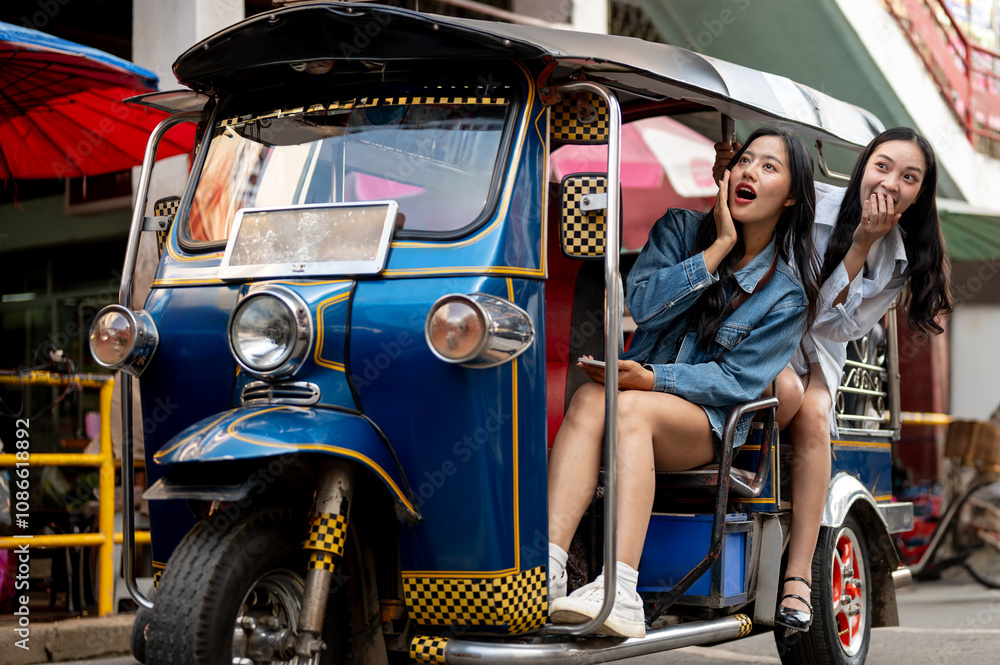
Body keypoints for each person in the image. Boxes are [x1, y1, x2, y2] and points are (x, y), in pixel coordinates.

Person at [546, 127, 820, 638]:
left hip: (710, 422)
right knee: (588, 398)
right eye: (745, 160)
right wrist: (717, 248)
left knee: (627, 409)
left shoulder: (788, 293)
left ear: (791, 198)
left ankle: (620, 589)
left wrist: (652, 380)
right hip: (643, 398)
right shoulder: (677, 228)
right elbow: (643, 308)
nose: (749, 171)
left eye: (769, 167)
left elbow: (736, 379)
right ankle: (549, 570)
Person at [714, 127, 952, 631]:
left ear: (918, 195)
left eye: (909, 178)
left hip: (816, 346)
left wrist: (864, 243)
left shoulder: (900, 258)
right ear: (864, 164)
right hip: (758, 323)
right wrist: (732, 172)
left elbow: (829, 325)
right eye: (883, 166)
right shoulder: (810, 200)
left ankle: (797, 575)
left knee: (815, 413)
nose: (891, 182)